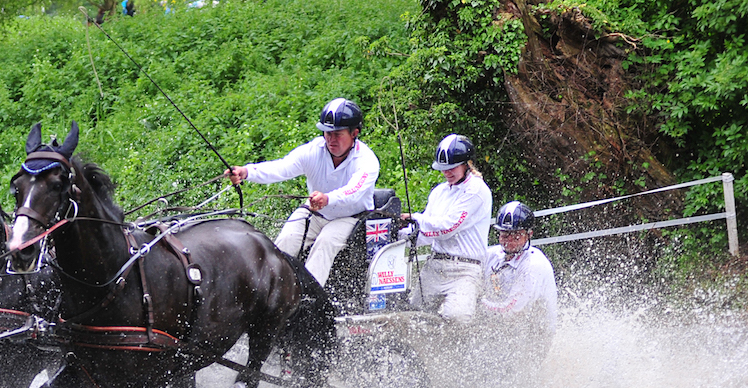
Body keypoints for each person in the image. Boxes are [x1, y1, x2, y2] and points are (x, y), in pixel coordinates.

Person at [225, 98, 380, 287]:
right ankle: (273, 289)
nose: (330, 139)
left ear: (354, 133)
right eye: (327, 133)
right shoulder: (313, 150)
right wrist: (247, 172)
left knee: (325, 242)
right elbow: (282, 168)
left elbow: (353, 191)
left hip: (351, 217)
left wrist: (327, 198)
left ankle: (309, 299)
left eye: (337, 134)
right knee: (287, 239)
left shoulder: (367, 160)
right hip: (314, 212)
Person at [397, 134, 492, 323]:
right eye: (443, 168)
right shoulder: (439, 192)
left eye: (452, 167)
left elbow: (448, 227)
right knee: (412, 317)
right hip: (435, 265)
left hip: (465, 269)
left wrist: (414, 218)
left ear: (467, 163)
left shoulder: (476, 190)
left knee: (457, 318)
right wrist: (400, 234)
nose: (447, 172)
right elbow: (427, 233)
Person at [481, 201, 557, 334]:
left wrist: (478, 305)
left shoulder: (533, 266)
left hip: (533, 335)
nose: (509, 241)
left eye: (516, 235)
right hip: (502, 329)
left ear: (529, 234)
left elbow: (513, 312)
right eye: (504, 235)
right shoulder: (491, 255)